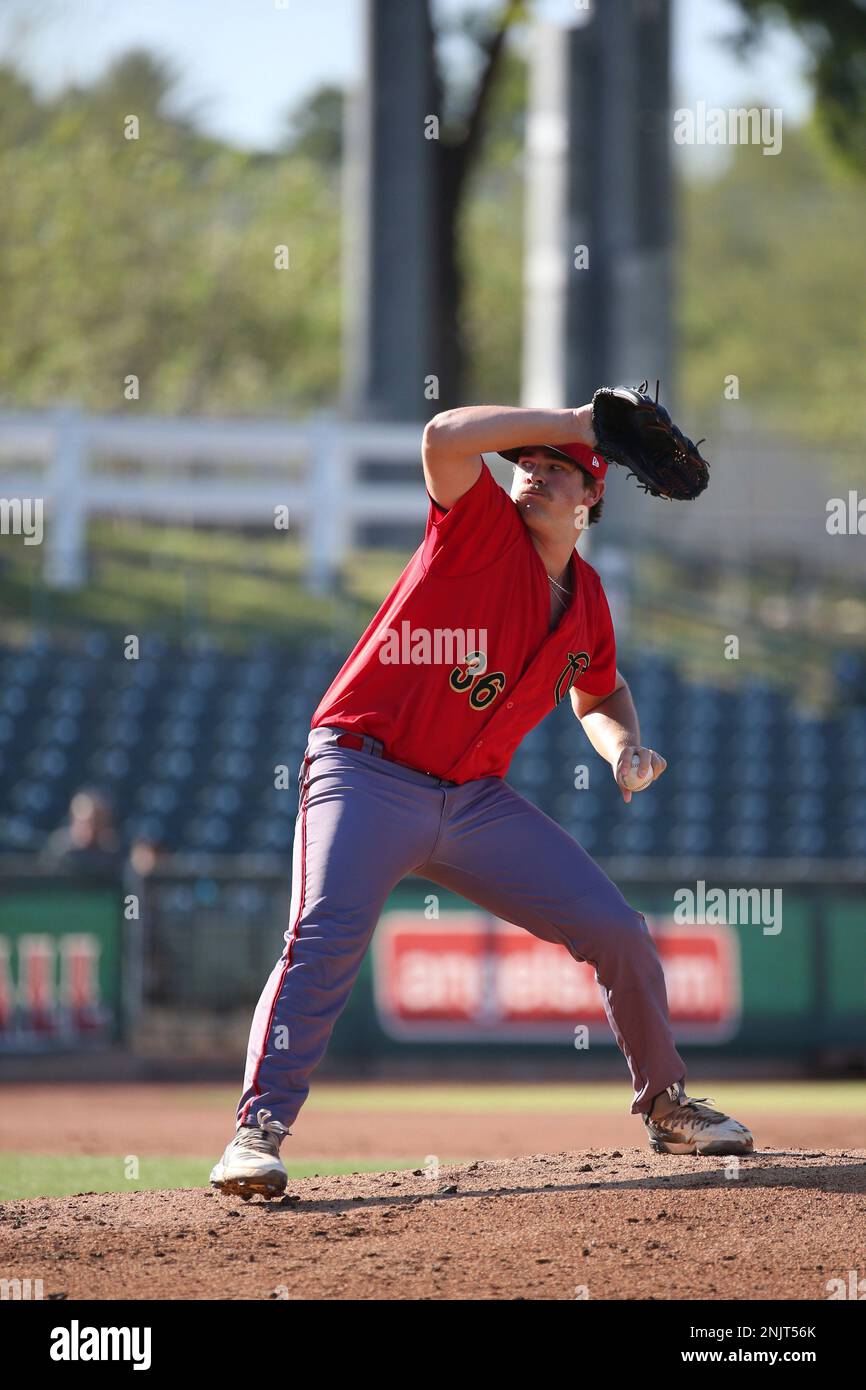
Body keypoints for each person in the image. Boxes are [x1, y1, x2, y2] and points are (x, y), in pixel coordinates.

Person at [211, 401, 753, 1199]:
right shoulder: (477, 527)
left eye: (557, 467)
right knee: (323, 933)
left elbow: (600, 692)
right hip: (366, 772)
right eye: (524, 462)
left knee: (618, 930)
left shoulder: (591, 601)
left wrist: (622, 750)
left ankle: (667, 1106)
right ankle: (256, 1133)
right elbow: (439, 436)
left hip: (472, 803)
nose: (531, 471)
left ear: (591, 500)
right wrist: (574, 420)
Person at [43, 788, 124, 878]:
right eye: (91, 821)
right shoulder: (61, 847)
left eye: (100, 821)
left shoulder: (111, 850)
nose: (95, 827)